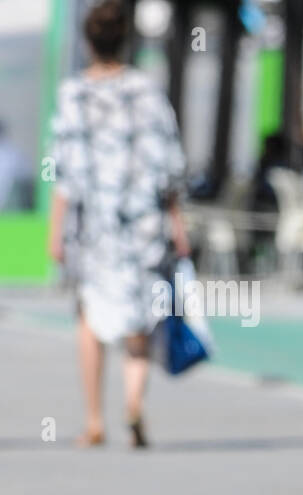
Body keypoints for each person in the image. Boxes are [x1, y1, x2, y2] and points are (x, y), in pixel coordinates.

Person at [47, 0, 189, 448]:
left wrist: (56, 229)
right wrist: (177, 221)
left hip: (94, 224)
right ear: (125, 41)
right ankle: (133, 403)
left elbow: (62, 170)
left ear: (88, 41)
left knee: (90, 316)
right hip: (142, 221)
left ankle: (94, 419)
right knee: (138, 318)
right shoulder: (146, 91)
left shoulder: (73, 94)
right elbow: (169, 164)